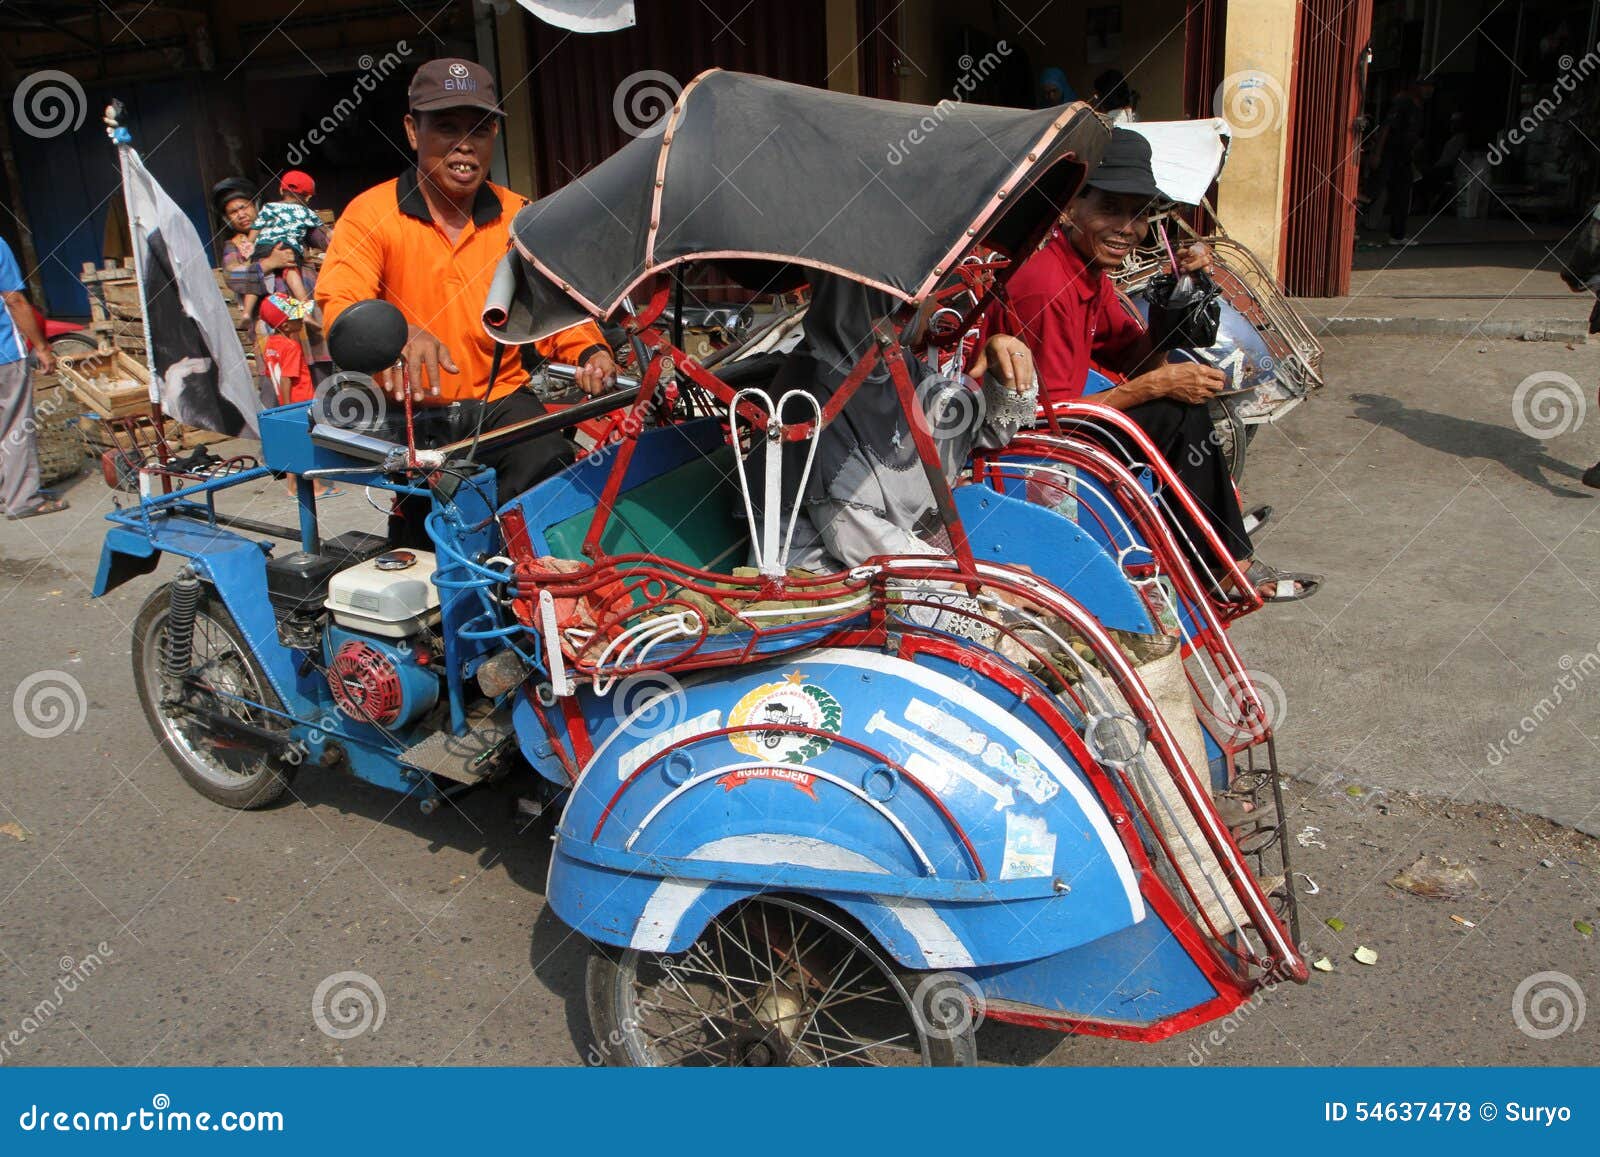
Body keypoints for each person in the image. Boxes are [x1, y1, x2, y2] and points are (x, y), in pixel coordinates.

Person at [1004, 128, 1318, 602]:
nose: (1128, 229)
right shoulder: (1048, 284)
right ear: (1070, 207)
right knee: (1174, 409)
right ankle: (1225, 561)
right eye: (1110, 209)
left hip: (1065, 419)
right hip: (1033, 438)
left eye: (1139, 215)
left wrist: (1179, 296)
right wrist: (1156, 385)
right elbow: (1048, 419)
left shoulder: (1087, 271)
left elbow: (1135, 354)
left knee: (1183, 403)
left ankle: (1211, 532)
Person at [316, 58, 616, 542]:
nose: (464, 145)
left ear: (494, 135)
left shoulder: (520, 217)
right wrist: (397, 334)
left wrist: (588, 349)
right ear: (413, 131)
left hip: (500, 404)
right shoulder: (371, 214)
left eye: (479, 129)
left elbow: (554, 303)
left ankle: (537, 596)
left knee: (552, 476)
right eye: (447, 128)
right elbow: (340, 298)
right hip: (413, 413)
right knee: (433, 546)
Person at [759, 274, 1038, 574]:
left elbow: (982, 430)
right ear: (890, 301)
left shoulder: (891, 364)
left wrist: (1005, 366)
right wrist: (976, 577)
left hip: (887, 566)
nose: (934, 305)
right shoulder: (810, 391)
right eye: (927, 293)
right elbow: (856, 539)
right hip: (821, 580)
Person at [0, 234, 68, 519]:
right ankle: (22, 500)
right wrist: (41, 346)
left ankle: (8, 492)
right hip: (4, 354)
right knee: (15, 425)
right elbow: (14, 299)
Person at [249, 170, 327, 304]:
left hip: (263, 244)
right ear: (307, 197)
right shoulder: (306, 212)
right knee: (290, 270)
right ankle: (305, 307)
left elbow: (256, 228)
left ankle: (247, 311)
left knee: (254, 275)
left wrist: (249, 245)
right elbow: (326, 232)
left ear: (280, 190)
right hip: (288, 245)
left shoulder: (269, 207)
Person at [1372, 78, 1432, 245]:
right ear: (1416, 87)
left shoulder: (1420, 108)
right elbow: (1386, 128)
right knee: (1375, 190)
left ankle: (1397, 235)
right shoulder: (1402, 103)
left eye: (1431, 87)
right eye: (1426, 86)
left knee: (1402, 194)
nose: (1429, 90)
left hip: (1404, 156)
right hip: (1390, 153)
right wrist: (1377, 154)